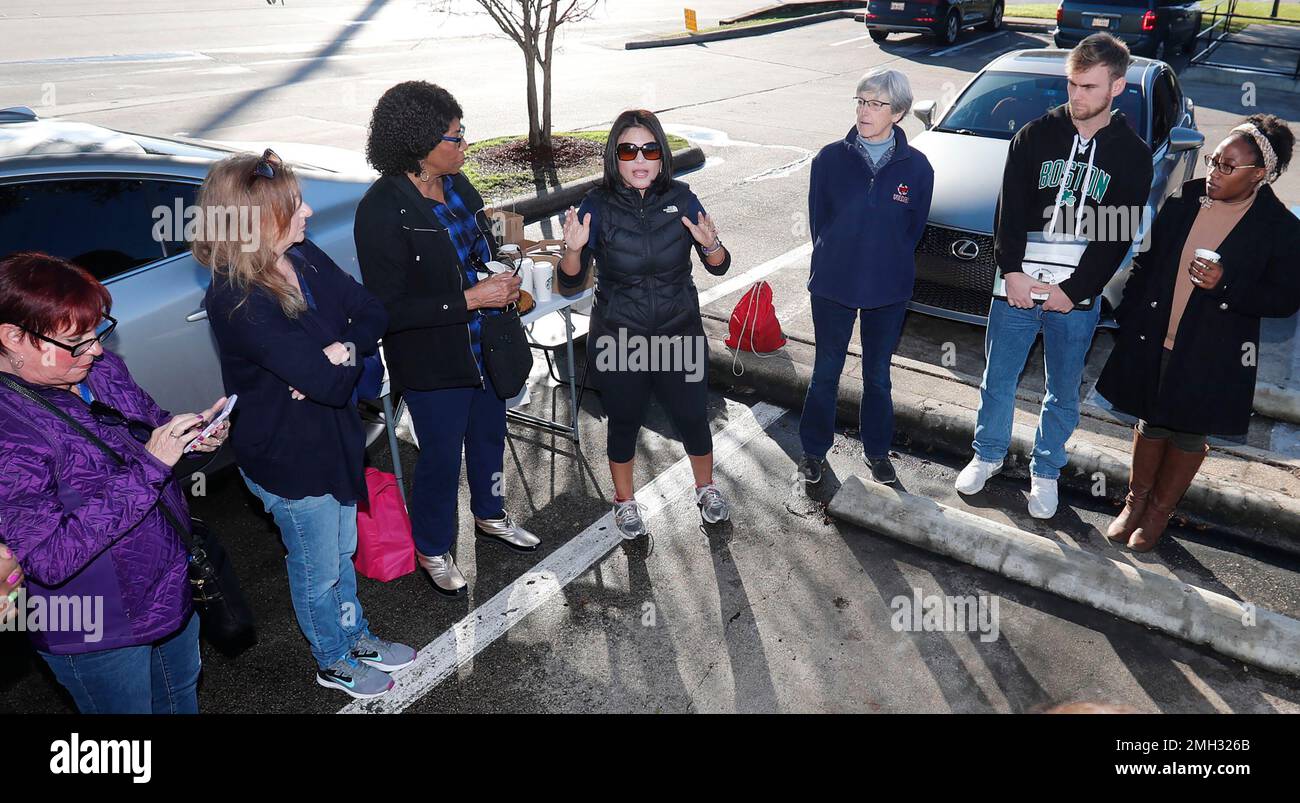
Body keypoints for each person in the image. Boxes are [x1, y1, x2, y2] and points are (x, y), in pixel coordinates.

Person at [196, 150, 416, 699]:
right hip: (289, 457)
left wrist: (341, 350)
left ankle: (355, 634)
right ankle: (332, 659)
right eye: (292, 206)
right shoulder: (236, 299)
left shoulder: (302, 255)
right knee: (319, 568)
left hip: (333, 436)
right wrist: (337, 363)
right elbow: (330, 383)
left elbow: (371, 310)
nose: (308, 212)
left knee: (341, 551)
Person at [0, 251, 228, 713]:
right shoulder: (10, 430)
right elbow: (50, 557)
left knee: (181, 698)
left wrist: (189, 435)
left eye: (96, 332)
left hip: (165, 581)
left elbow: (145, 428)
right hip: (96, 623)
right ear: (14, 338)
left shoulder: (98, 370)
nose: (97, 349)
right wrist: (152, 464)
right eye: (77, 340)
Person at [954, 33, 1153, 518]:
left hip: (1075, 300)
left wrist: (1076, 291)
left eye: (1088, 86)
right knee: (997, 380)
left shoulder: (1131, 154)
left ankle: (1046, 471)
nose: (1077, 96)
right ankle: (987, 455)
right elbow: (1009, 212)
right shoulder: (1035, 136)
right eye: (1071, 84)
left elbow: (1116, 237)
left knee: (1062, 390)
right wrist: (1013, 273)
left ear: (1117, 87)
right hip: (1015, 290)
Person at [355, 81, 539, 596]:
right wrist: (470, 300)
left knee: (487, 439)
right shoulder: (380, 211)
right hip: (434, 361)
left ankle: (491, 514)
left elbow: (480, 249)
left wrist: (503, 268)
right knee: (439, 459)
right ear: (419, 143)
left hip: (488, 345)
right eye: (456, 137)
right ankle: (433, 546)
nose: (465, 146)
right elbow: (386, 310)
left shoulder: (460, 186)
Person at [1096, 115, 1300, 552]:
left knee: (1188, 432)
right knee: (1150, 421)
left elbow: (1286, 300)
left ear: (1259, 174)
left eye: (1228, 166)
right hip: (1155, 334)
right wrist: (1131, 317)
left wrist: (1225, 283)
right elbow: (1146, 261)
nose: (1214, 173)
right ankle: (1134, 504)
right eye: (1213, 160)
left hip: (1213, 350)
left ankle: (1157, 516)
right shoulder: (1187, 197)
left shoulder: (1279, 227)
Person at [558, 109, 733, 538]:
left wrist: (712, 245)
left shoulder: (684, 198)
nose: (640, 159)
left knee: (694, 416)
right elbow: (568, 282)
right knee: (624, 421)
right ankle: (624, 502)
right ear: (614, 156)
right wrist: (575, 250)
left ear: (661, 156)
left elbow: (719, 265)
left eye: (649, 149)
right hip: (620, 338)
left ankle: (706, 488)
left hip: (679, 333)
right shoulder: (596, 206)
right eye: (629, 150)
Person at [798, 67, 934, 486]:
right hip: (833, 285)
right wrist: (841, 256)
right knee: (826, 371)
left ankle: (877, 452)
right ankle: (813, 451)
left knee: (878, 374)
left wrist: (881, 260)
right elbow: (819, 221)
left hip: (887, 289)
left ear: (898, 112)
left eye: (876, 103)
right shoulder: (829, 159)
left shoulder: (917, 168)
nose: (865, 110)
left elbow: (912, 231)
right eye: (860, 101)